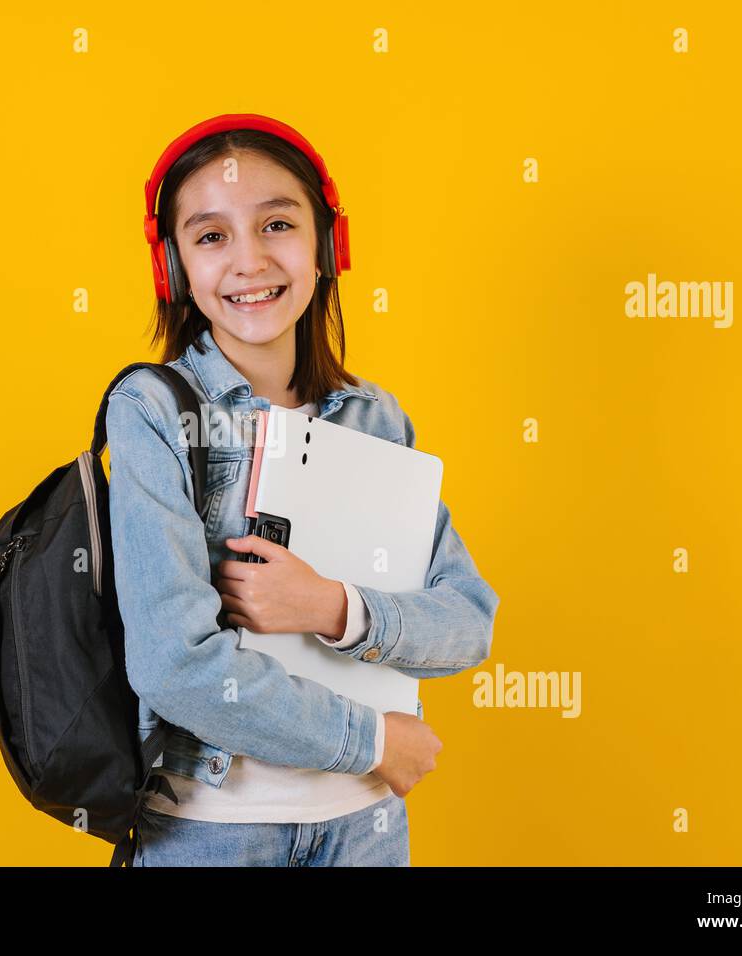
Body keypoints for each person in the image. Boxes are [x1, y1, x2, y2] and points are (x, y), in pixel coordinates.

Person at [105, 115, 500, 866]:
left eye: (277, 223)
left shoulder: (377, 416)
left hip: (367, 829)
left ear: (328, 245)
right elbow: (173, 666)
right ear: (175, 268)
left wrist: (331, 606)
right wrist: (372, 741)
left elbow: (467, 622)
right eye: (211, 236)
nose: (249, 261)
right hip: (213, 832)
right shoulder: (152, 412)